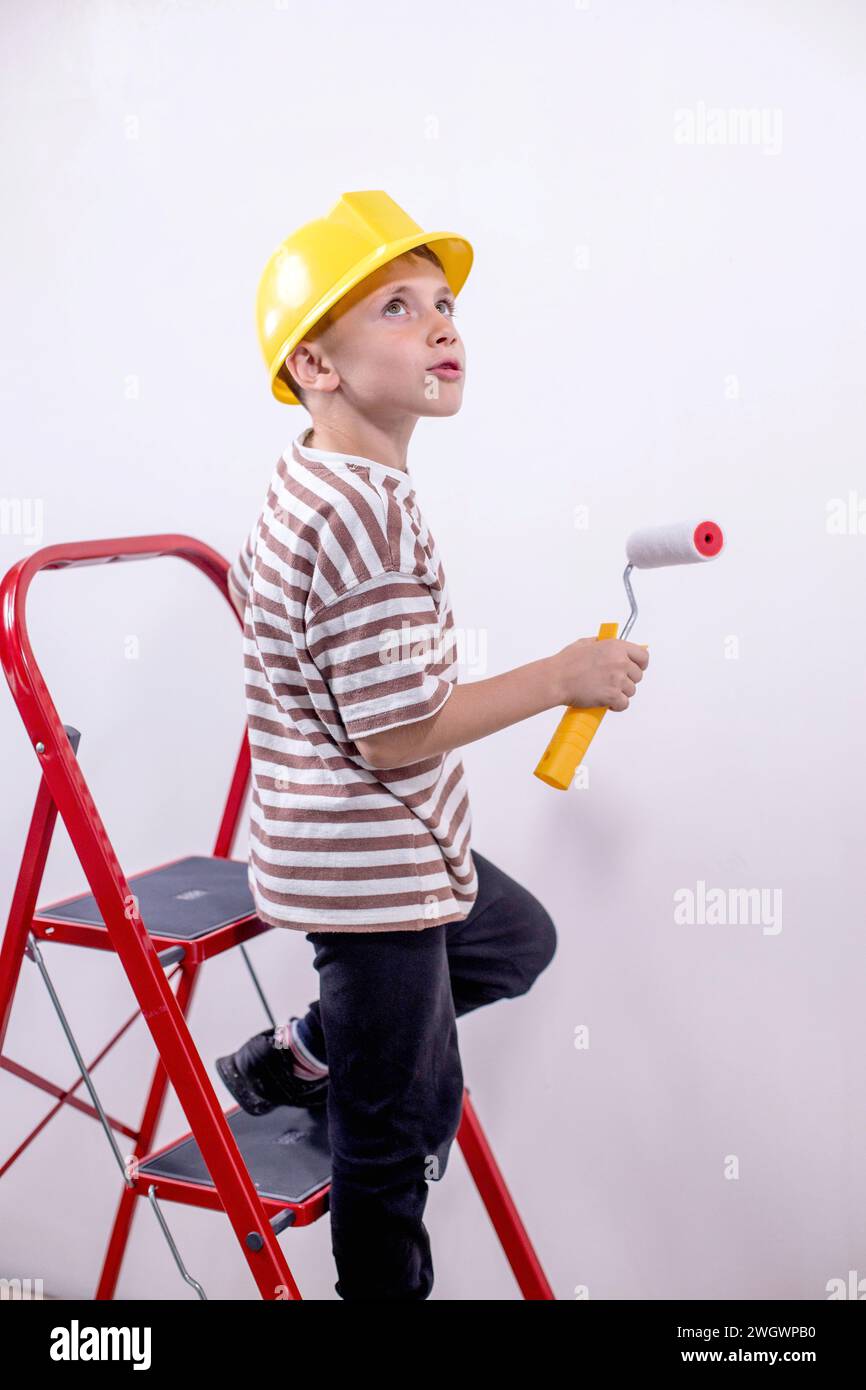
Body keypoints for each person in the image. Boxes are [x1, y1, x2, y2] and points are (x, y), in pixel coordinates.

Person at [215, 191, 649, 1300]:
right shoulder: (358, 515)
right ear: (316, 364)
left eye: (444, 303)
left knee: (511, 938)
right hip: (371, 884)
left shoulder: (332, 473)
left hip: (372, 845)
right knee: (392, 1136)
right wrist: (562, 675)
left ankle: (304, 1052)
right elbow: (399, 731)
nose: (443, 326)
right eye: (399, 309)